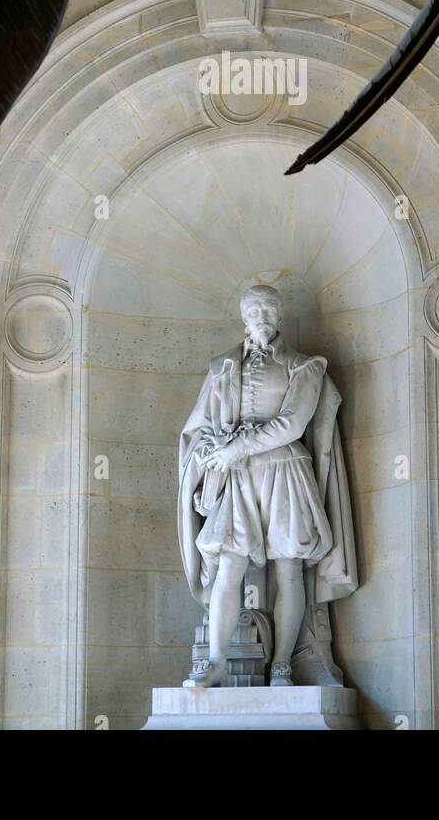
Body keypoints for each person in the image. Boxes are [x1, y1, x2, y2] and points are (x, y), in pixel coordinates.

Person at [178, 284, 356, 688]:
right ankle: (217, 663)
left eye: (268, 307)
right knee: (229, 565)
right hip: (235, 476)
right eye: (253, 307)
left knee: (288, 567)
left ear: (279, 316)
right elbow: (200, 426)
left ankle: (282, 666)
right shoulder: (222, 366)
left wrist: (235, 448)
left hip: (284, 471)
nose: (260, 313)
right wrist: (210, 450)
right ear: (243, 315)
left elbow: (293, 423)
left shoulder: (305, 366)